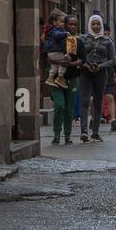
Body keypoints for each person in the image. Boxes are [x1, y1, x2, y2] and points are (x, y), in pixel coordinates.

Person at [76, 14, 116, 143]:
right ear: (89, 24)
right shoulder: (82, 39)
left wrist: (100, 66)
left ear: (101, 25)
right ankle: (84, 132)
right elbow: (76, 57)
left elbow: (113, 60)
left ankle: (95, 132)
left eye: (98, 24)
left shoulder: (107, 41)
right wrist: (86, 65)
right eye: (93, 24)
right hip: (85, 73)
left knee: (98, 102)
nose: (96, 26)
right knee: (85, 101)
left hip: (101, 74)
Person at [49, 15, 82, 144]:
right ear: (64, 25)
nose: (72, 27)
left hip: (72, 77)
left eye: (75, 25)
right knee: (59, 106)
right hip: (56, 78)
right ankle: (56, 133)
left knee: (69, 109)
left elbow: (82, 58)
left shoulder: (78, 41)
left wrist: (72, 64)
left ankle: (67, 135)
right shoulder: (54, 38)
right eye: (69, 24)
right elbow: (48, 56)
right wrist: (60, 60)